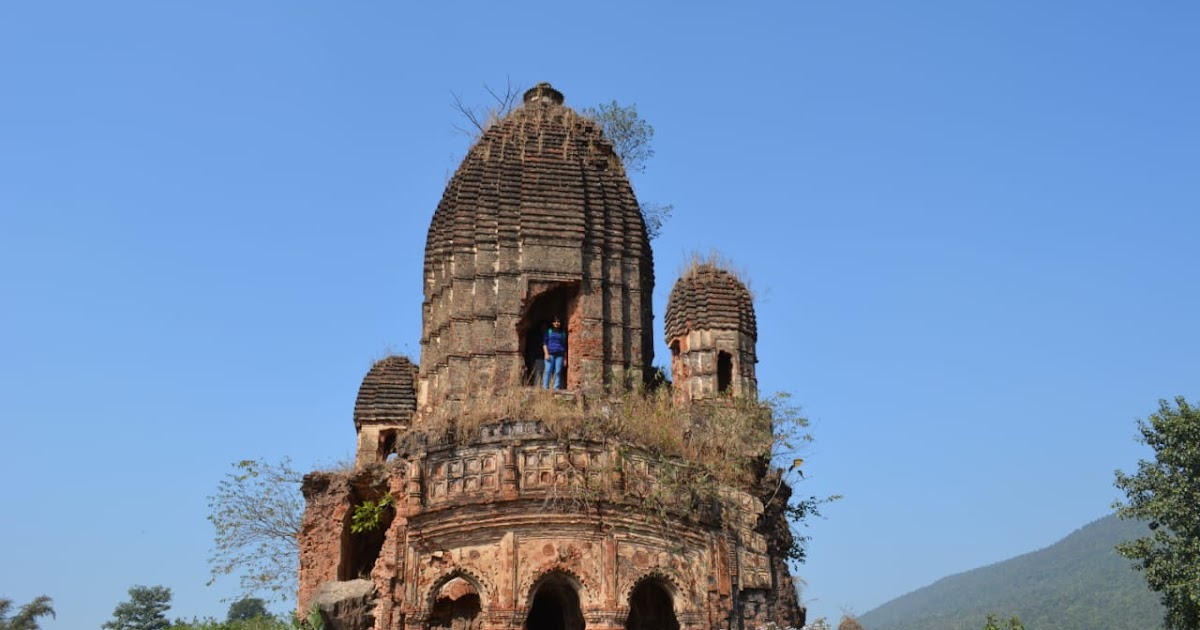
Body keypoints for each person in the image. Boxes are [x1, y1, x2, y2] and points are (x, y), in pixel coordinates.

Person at [542, 316, 567, 390]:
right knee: (548, 371)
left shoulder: (562, 333)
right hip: (550, 354)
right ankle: (545, 387)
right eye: (555, 321)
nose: (557, 323)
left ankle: (556, 387)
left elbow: (564, 346)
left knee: (558, 371)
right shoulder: (548, 332)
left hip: (560, 355)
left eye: (558, 322)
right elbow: (544, 344)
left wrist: (565, 359)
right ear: (552, 323)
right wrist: (546, 353)